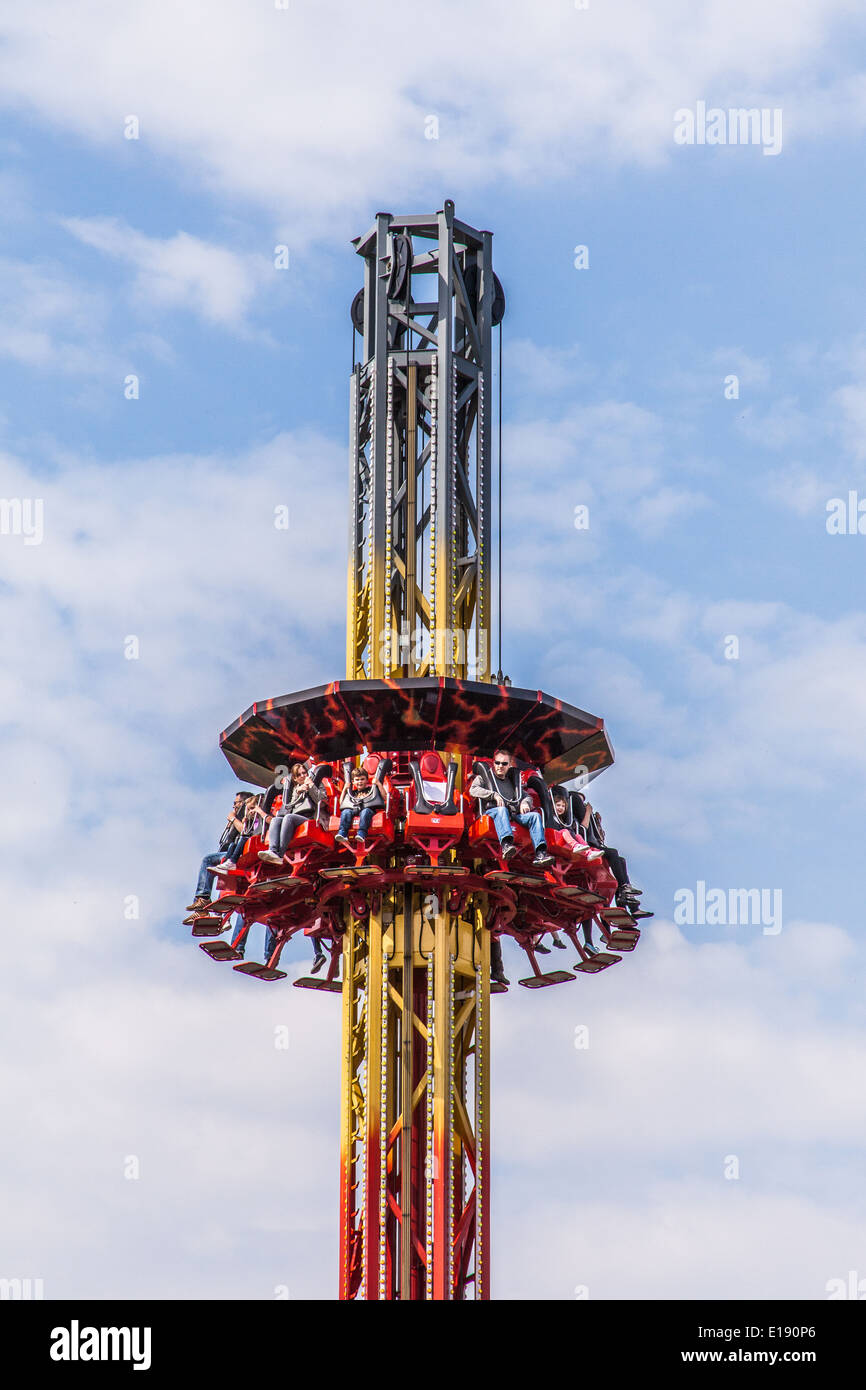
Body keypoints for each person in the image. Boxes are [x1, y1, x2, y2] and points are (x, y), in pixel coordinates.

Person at [468, 749, 553, 868]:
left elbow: (527, 796)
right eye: (497, 763)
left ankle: (540, 853)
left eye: (504, 764)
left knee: (535, 816)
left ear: (509, 765)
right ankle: (506, 845)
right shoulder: (484, 777)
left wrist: (525, 803)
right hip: (493, 811)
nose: (500, 766)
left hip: (514, 814)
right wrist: (493, 795)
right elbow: (473, 790)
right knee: (501, 810)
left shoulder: (512, 781)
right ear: (493, 763)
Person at [189, 792, 253, 910]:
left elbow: (246, 831)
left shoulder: (249, 813)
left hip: (241, 852)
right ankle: (201, 905)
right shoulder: (241, 816)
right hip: (234, 851)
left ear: (244, 802)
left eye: (236, 803)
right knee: (217, 868)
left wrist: (233, 819)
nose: (233, 806)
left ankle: (203, 897)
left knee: (208, 860)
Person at [258, 763, 325, 866]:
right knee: (276, 820)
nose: (303, 776)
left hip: (310, 817)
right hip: (296, 817)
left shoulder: (316, 784)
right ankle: (273, 850)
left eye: (304, 773)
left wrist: (311, 786)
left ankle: (280, 854)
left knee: (289, 818)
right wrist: (298, 792)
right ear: (295, 778)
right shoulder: (295, 789)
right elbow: (289, 806)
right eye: (299, 775)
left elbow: (322, 800)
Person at [334, 765, 385, 852]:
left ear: (366, 780)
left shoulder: (371, 790)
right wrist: (345, 789)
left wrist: (378, 784)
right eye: (357, 780)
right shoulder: (352, 793)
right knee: (346, 812)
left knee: (366, 812)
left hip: (367, 810)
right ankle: (343, 833)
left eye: (362, 779)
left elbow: (384, 797)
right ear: (353, 782)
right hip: (354, 810)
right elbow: (342, 803)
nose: (360, 782)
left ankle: (361, 833)